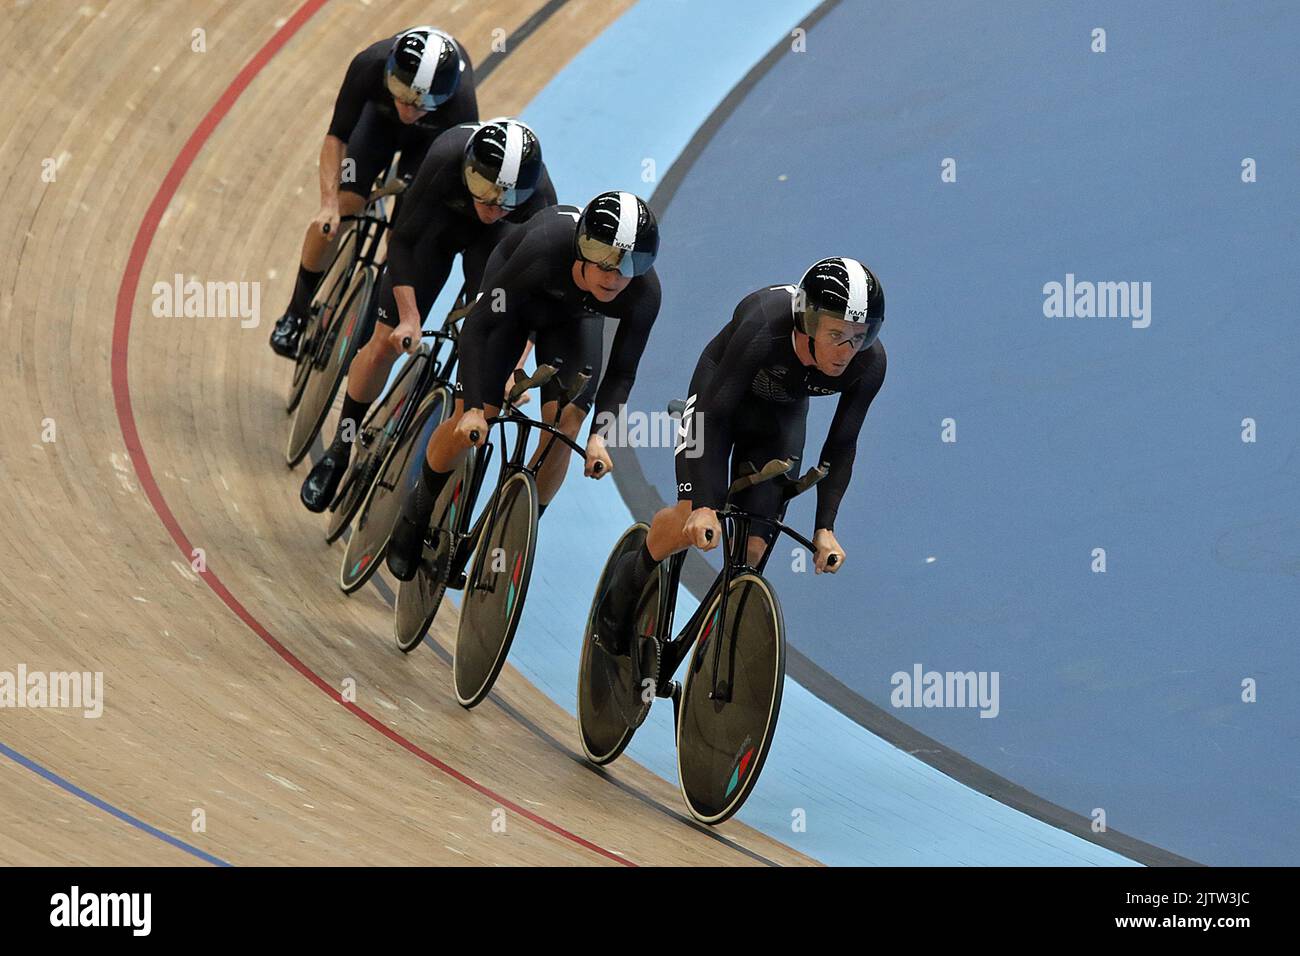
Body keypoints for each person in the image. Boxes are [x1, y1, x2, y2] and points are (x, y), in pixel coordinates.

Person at [594, 256, 888, 653]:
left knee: (755, 546)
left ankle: (713, 653)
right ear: (808, 322)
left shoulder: (869, 364)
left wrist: (825, 528)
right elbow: (713, 418)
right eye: (836, 334)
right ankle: (628, 583)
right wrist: (702, 504)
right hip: (720, 399)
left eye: (859, 337)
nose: (846, 350)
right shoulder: (764, 329)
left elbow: (841, 445)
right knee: (691, 519)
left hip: (781, 416)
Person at [384, 191, 663, 582]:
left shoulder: (644, 293)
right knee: (474, 420)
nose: (616, 275)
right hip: (513, 310)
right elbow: (479, 328)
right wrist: (477, 408)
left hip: (575, 322)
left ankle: (514, 527)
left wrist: (599, 436)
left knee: (566, 428)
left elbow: (622, 372)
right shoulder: (544, 249)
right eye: (605, 260)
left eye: (632, 264)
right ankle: (416, 510)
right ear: (582, 247)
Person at [299, 118, 557, 511]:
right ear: (469, 171)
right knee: (385, 342)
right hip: (435, 233)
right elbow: (402, 241)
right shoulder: (445, 157)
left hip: (494, 251)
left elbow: (534, 300)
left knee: (491, 345)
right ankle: (340, 447)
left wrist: (514, 366)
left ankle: (424, 504)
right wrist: (408, 318)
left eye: (507, 199)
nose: (493, 206)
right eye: (485, 193)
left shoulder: (539, 199)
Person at [269, 26, 478, 358]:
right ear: (390, 74)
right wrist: (328, 204)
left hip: (427, 148)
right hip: (378, 123)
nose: (409, 111)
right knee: (345, 202)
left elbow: (442, 188)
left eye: (421, 104)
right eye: (402, 94)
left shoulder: (461, 107)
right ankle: (295, 312)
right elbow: (337, 136)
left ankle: (363, 330)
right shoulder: (371, 64)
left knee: (401, 239)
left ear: (444, 96)